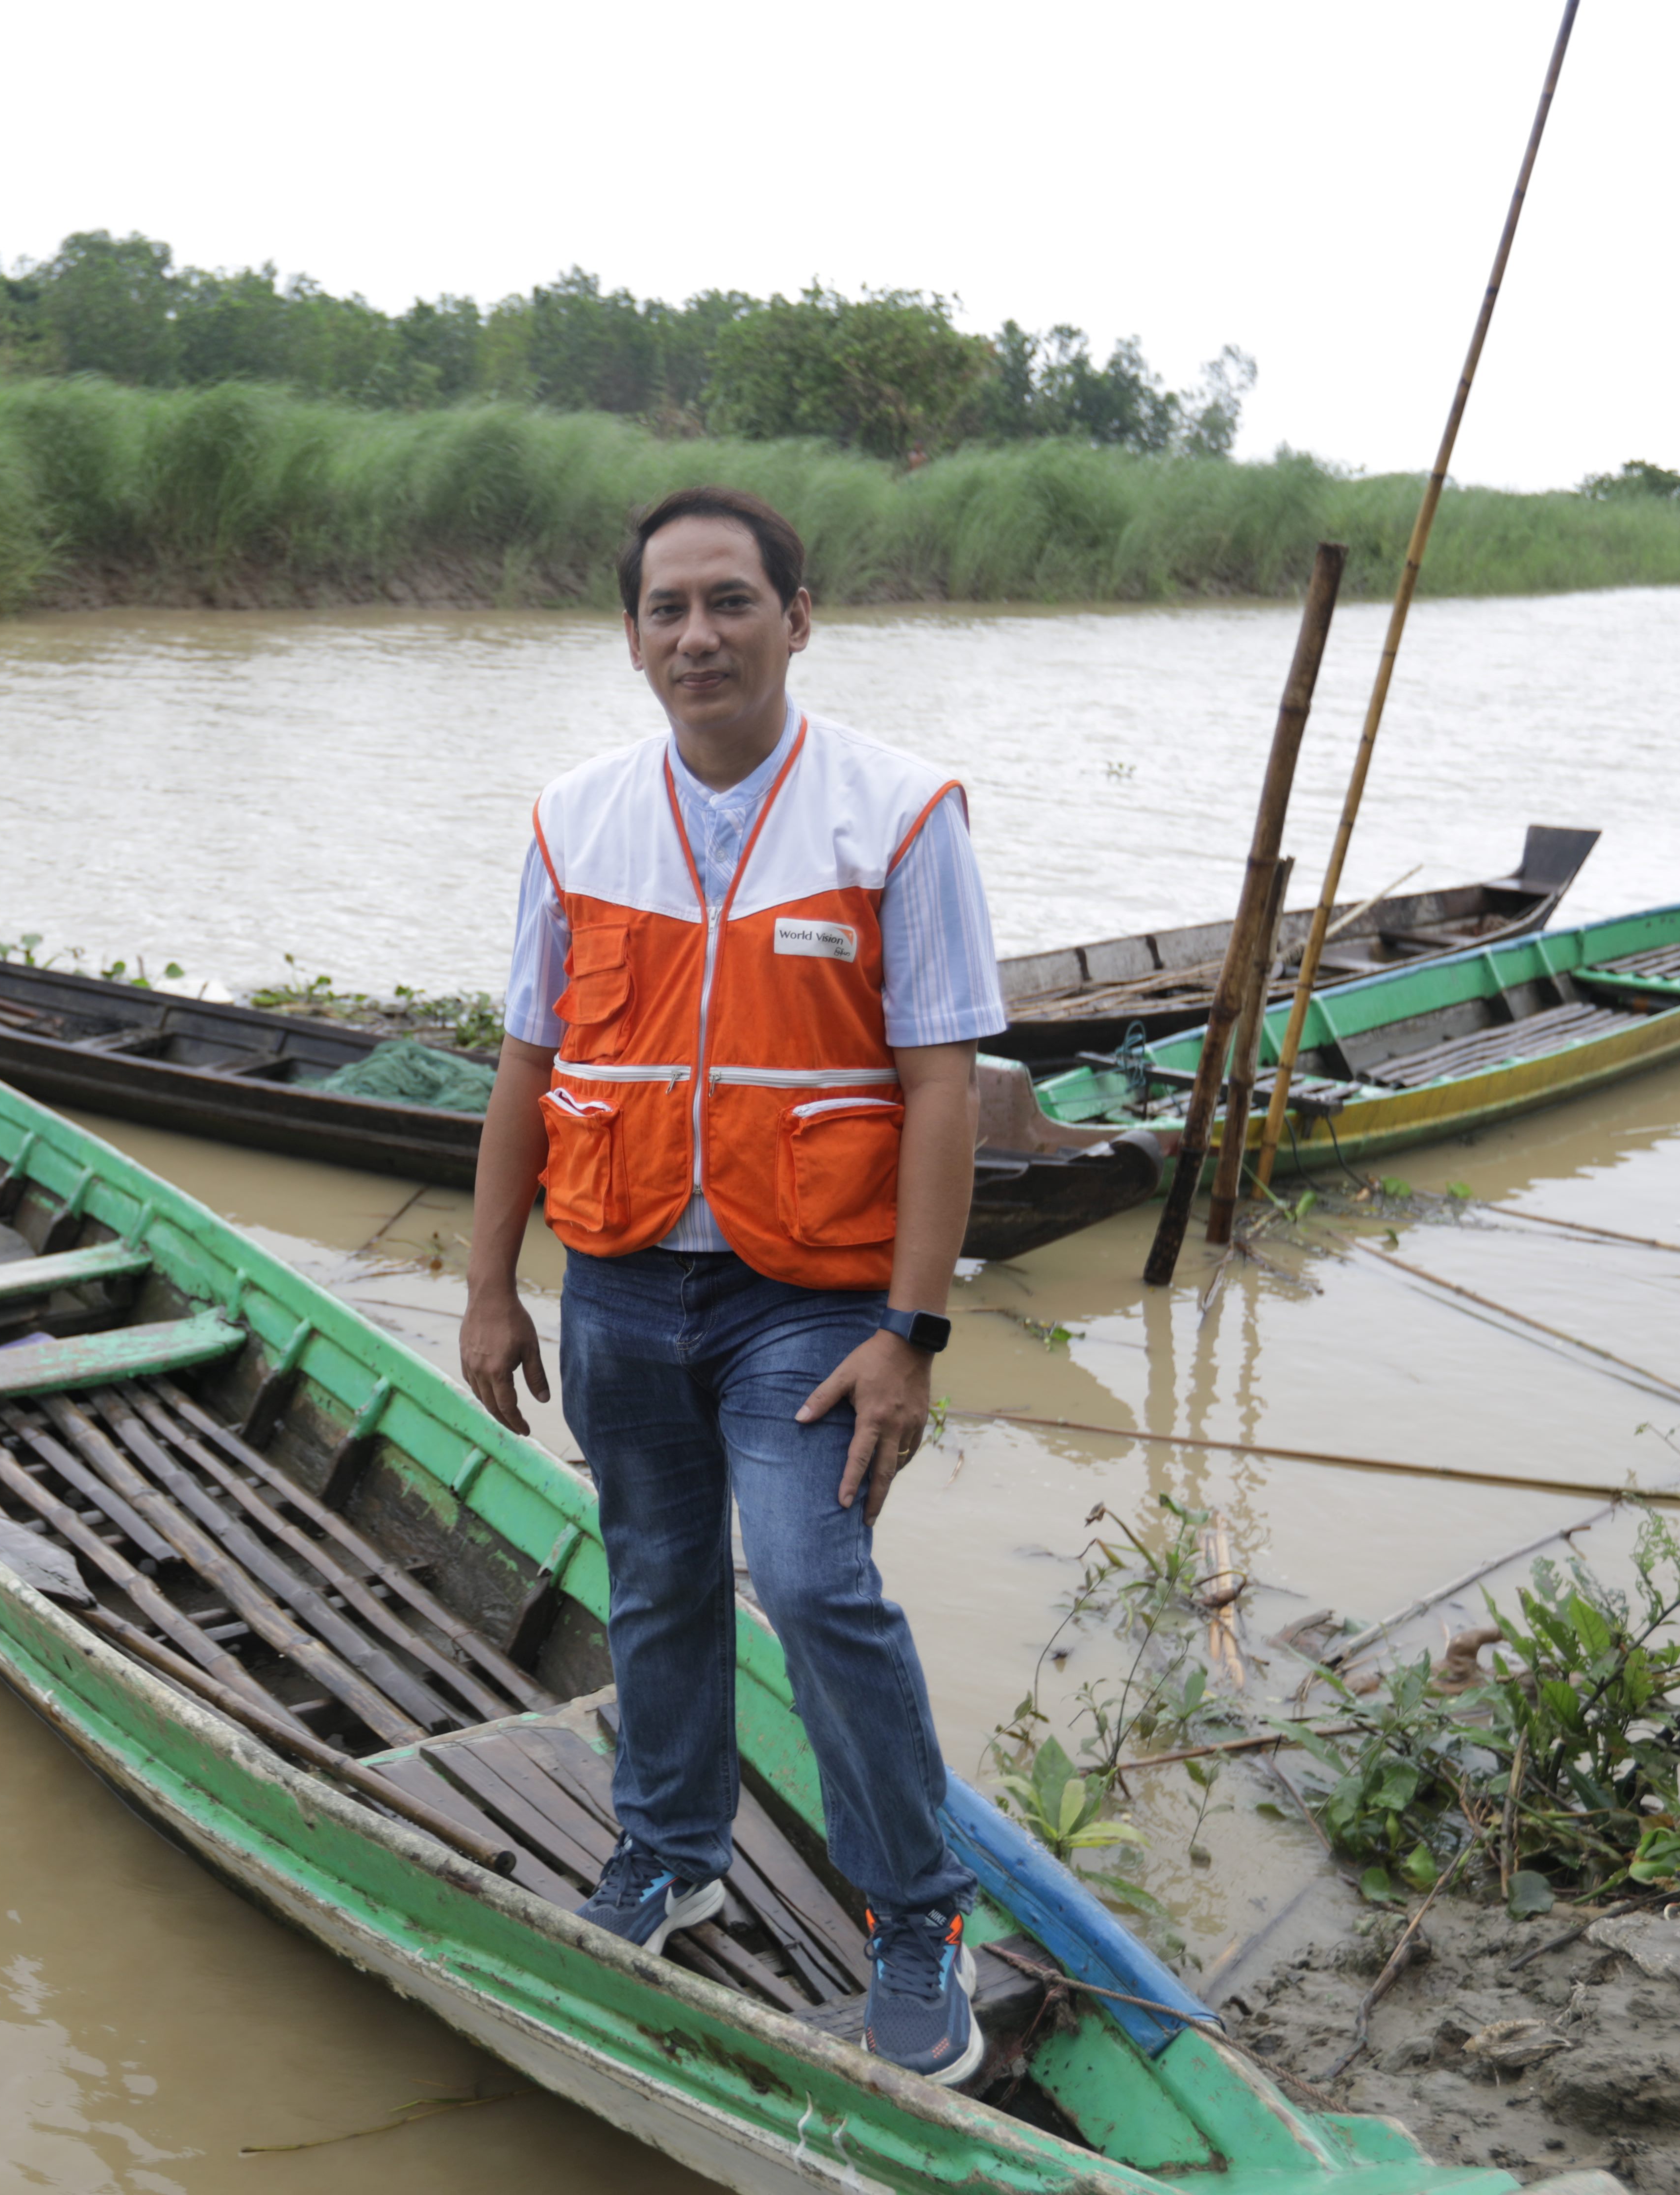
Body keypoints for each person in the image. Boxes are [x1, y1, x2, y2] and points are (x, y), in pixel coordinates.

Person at [456, 485, 1000, 2084]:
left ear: (797, 619)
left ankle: (919, 1916)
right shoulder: (576, 817)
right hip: (622, 1281)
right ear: (631, 642)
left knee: (820, 1582)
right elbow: (526, 1064)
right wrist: (491, 1287)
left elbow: (945, 1087)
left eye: (731, 603)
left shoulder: (895, 814)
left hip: (813, 1297)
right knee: (657, 1574)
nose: (699, 635)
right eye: (667, 610)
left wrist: (913, 1331)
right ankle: (673, 1850)